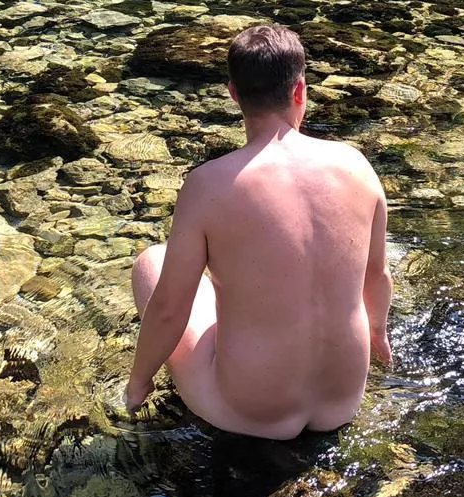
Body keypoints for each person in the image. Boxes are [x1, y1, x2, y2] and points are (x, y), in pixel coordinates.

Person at [125, 24, 393, 440]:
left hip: (250, 412)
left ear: (234, 94)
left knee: (153, 262)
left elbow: (168, 310)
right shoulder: (355, 165)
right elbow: (376, 277)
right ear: (301, 90)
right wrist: (377, 334)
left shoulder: (209, 185)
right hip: (344, 399)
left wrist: (138, 384)